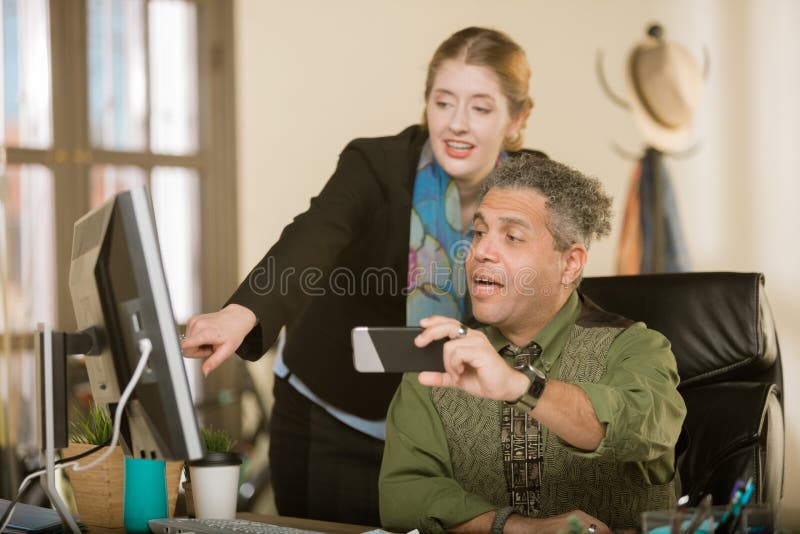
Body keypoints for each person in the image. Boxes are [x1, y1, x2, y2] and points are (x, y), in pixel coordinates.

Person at [181, 27, 544, 524]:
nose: (457, 125)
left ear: (516, 119)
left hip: (451, 433)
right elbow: (311, 238)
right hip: (332, 416)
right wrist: (240, 314)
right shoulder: (377, 164)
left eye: (480, 108)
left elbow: (552, 288)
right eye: (443, 103)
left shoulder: (534, 186)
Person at [379, 154, 687, 533]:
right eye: (478, 233)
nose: (480, 252)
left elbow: (639, 426)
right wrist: (520, 528)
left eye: (512, 237)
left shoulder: (639, 347)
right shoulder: (440, 356)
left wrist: (520, 386)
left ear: (570, 264)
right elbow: (404, 494)